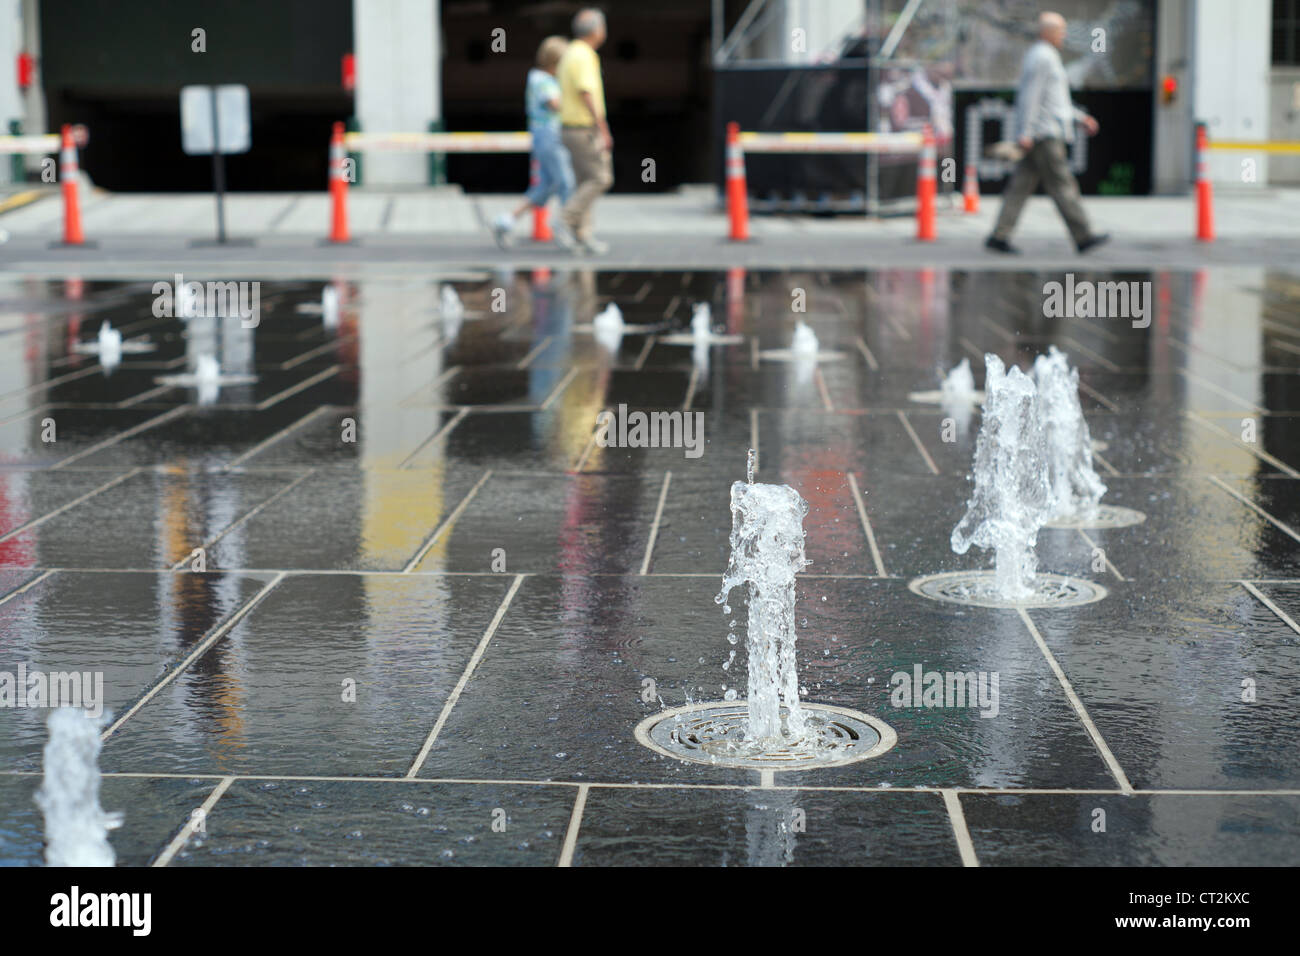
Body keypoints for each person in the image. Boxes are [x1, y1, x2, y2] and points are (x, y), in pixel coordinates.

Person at [986, 11, 1109, 255]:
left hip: (1041, 132)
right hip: (1044, 135)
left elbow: (1056, 101)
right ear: (1049, 32)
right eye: (1061, 30)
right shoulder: (1043, 57)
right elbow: (1031, 97)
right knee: (1062, 185)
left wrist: (1079, 118)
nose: (1064, 35)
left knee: (1020, 186)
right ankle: (1083, 235)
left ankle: (999, 235)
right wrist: (1027, 132)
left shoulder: (1045, 56)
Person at [493, 36, 577, 249]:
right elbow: (555, 104)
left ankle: (506, 221)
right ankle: (565, 225)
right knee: (566, 181)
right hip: (549, 136)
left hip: (545, 136)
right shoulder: (542, 80)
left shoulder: (539, 79)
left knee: (546, 186)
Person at [558, 8, 613, 256]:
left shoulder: (569, 52)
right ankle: (565, 220)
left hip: (569, 128)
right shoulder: (584, 55)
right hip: (582, 128)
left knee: (584, 181)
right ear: (596, 30)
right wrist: (602, 126)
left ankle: (584, 235)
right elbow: (586, 92)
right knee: (600, 178)